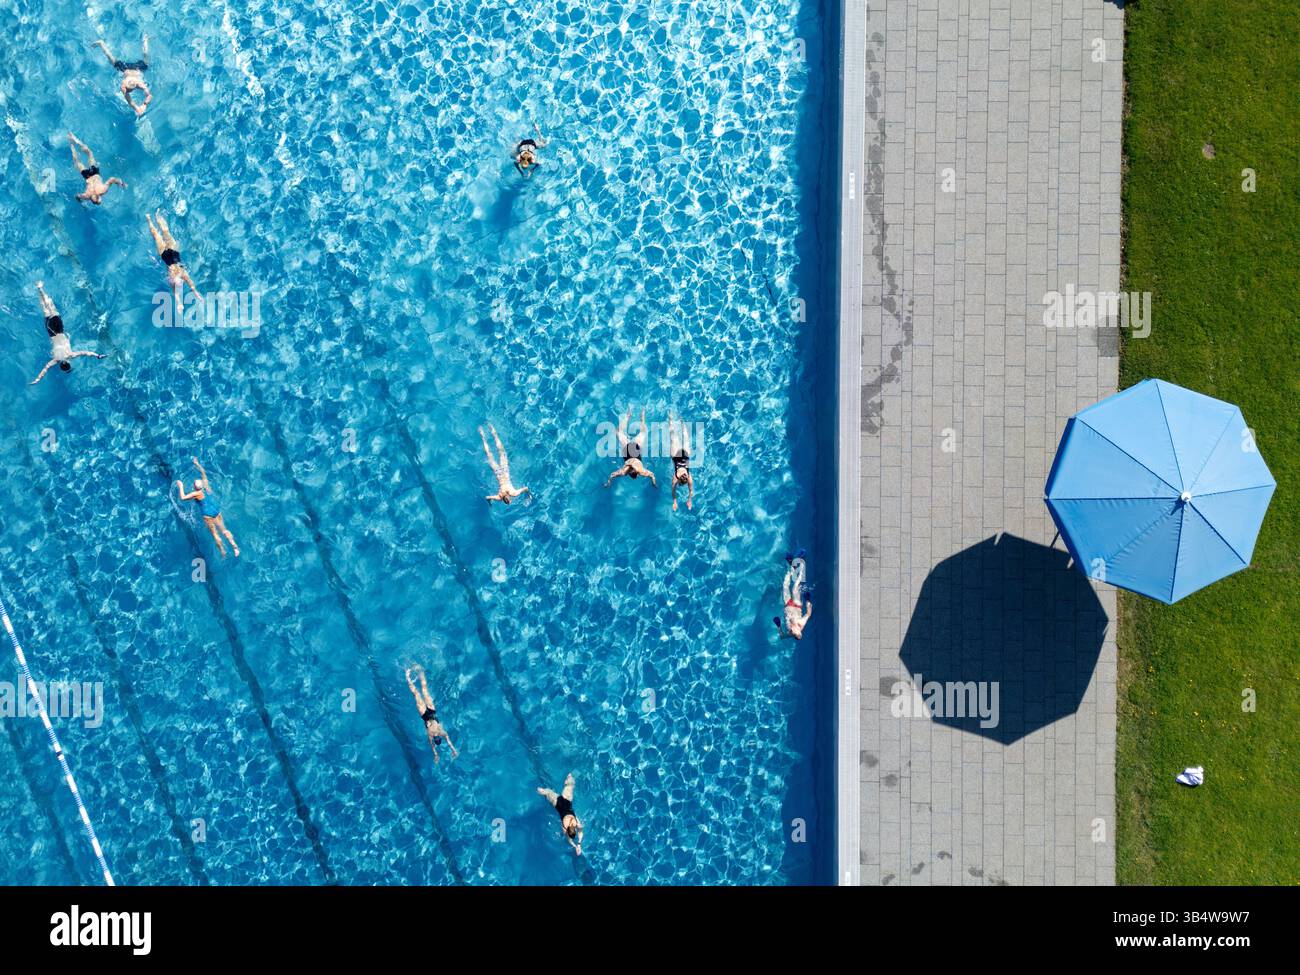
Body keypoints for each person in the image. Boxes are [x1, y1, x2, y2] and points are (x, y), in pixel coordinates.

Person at [29, 281, 107, 384]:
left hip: (59, 329)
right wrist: (37, 380)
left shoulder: (71, 355)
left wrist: (97, 355)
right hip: (51, 331)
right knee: (45, 310)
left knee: (51, 307)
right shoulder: (56, 360)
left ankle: (41, 289)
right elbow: (45, 368)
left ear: (69, 363)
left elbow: (86, 353)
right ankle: (40, 290)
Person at [175, 457, 240, 558]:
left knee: (215, 534)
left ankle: (223, 552)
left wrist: (180, 486)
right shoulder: (205, 486)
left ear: (195, 487)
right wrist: (197, 464)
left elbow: (183, 497)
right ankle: (235, 547)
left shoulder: (196, 493)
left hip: (208, 515)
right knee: (224, 530)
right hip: (216, 511)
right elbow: (203, 472)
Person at [146, 210, 203, 306]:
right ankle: (157, 215)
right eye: (174, 276)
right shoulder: (183, 274)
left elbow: (176, 294)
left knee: (157, 236)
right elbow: (192, 286)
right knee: (165, 231)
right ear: (180, 278)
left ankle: (149, 219)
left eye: (172, 276)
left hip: (164, 256)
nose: (172, 274)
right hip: (174, 252)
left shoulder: (171, 281)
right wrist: (197, 294)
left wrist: (179, 303)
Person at [404, 665, 458, 763]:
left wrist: (437, 754)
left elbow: (441, 745)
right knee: (422, 691)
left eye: (435, 737)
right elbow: (446, 744)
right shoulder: (438, 734)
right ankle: (418, 671)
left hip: (426, 714)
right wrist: (452, 751)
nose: (436, 735)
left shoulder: (437, 734)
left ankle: (410, 675)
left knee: (419, 692)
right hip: (430, 712)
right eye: (437, 737)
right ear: (439, 737)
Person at [94, 35, 152, 117]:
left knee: (145, 59)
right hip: (129, 69)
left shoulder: (127, 85)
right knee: (112, 59)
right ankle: (145, 40)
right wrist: (142, 106)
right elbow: (148, 96)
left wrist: (141, 106)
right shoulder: (135, 84)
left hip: (131, 69)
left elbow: (131, 101)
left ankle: (102, 44)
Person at [603, 406, 657, 488]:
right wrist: (608, 483)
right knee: (621, 432)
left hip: (632, 448)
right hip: (630, 449)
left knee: (642, 432)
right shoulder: (628, 472)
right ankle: (635, 415)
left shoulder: (636, 471)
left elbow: (652, 475)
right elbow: (612, 475)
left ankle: (634, 415)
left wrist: (654, 482)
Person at [68, 133, 126, 205]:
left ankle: (77, 141)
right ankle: (71, 143)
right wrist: (80, 201)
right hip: (87, 176)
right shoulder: (86, 196)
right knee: (77, 162)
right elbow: (77, 196)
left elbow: (112, 179)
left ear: (99, 197)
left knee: (90, 154)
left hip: (94, 172)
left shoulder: (102, 190)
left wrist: (121, 183)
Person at [479, 423, 530, 504]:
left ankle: (492, 430)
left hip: (504, 470)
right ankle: (482, 435)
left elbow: (526, 488)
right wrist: (489, 502)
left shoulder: (513, 493)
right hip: (498, 473)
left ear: (509, 498)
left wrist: (529, 496)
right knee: (489, 455)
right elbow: (487, 497)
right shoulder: (499, 497)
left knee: (501, 451)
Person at [537, 773, 583, 856]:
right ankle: (542, 791)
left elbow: (580, 832)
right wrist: (576, 845)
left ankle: (569, 777)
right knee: (545, 792)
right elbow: (569, 840)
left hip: (566, 800)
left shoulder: (576, 823)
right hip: (558, 804)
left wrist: (579, 843)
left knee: (570, 783)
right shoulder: (565, 829)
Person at [773, 550, 813, 640]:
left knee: (785, 585)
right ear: (798, 631)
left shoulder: (790, 633)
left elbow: (782, 636)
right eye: (794, 631)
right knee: (795, 586)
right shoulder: (801, 623)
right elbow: (808, 614)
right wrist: (808, 601)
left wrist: (778, 626)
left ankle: (792, 566)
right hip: (797, 605)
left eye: (792, 633)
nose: (791, 631)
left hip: (787, 605)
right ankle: (802, 562)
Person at [668, 410, 694, 512]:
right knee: (673, 436)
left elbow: (691, 491)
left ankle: (681, 421)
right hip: (675, 456)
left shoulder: (689, 478)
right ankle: (670, 417)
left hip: (686, 455)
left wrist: (689, 500)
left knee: (685, 438)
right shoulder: (675, 479)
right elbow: (673, 492)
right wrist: (675, 501)